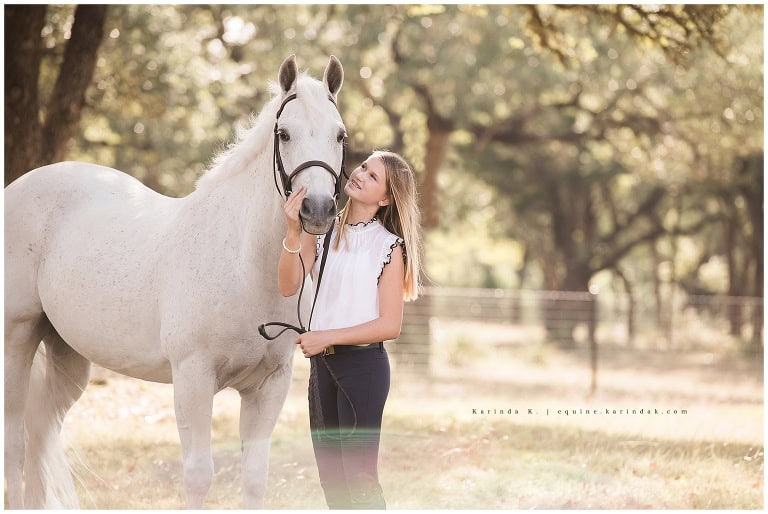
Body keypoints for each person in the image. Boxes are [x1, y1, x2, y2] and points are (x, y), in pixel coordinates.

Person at [277, 150, 422, 509]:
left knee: (359, 478)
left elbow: (389, 325)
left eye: (373, 177)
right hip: (321, 370)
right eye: (363, 167)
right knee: (332, 481)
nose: (359, 175)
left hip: (364, 370)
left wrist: (326, 336)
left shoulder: (389, 246)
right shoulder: (322, 232)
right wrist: (294, 230)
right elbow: (287, 284)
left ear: (386, 198)